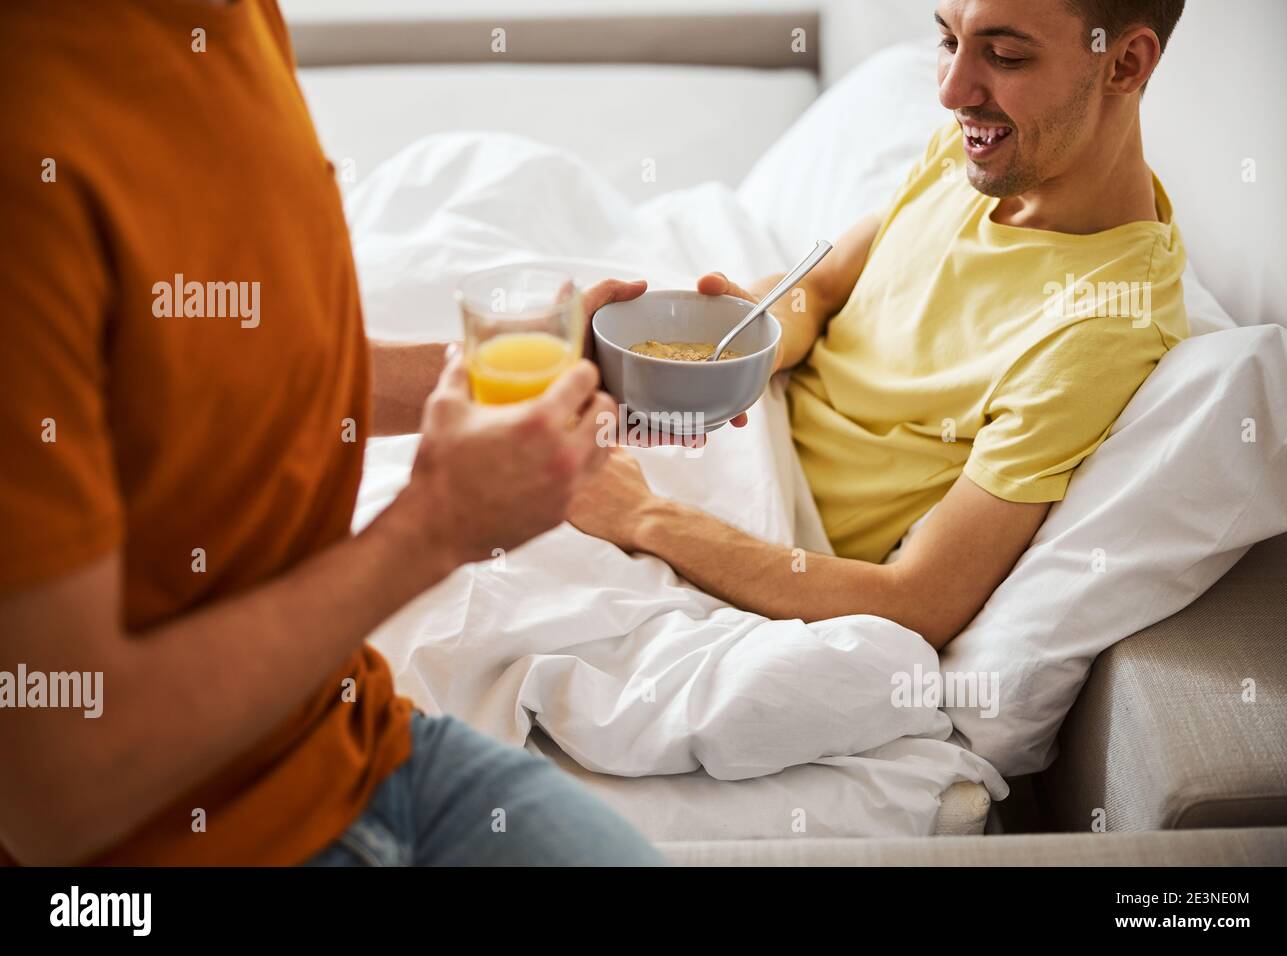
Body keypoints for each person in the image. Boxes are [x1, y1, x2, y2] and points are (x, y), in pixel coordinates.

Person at [0, 0, 662, 866]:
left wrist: (522, 367)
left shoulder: (229, 20)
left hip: (345, 743)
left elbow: (224, 359)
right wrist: (435, 529)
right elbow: (58, 792)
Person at [568, 0, 1189, 650]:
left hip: (760, 525)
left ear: (1125, 62)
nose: (952, 91)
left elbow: (919, 601)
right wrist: (737, 350)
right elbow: (820, 287)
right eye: (948, 41)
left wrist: (641, 517)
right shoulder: (980, 153)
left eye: (1005, 57)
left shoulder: (1100, 330)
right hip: (729, 424)